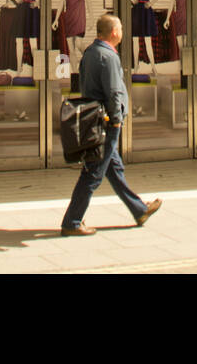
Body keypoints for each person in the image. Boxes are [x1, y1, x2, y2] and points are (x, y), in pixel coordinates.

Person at [60, 14, 162, 236]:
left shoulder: (90, 53)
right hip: (106, 123)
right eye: (121, 28)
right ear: (115, 32)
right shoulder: (109, 56)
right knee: (93, 172)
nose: (123, 32)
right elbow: (114, 91)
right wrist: (116, 120)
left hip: (94, 119)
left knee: (114, 169)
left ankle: (139, 210)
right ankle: (72, 221)